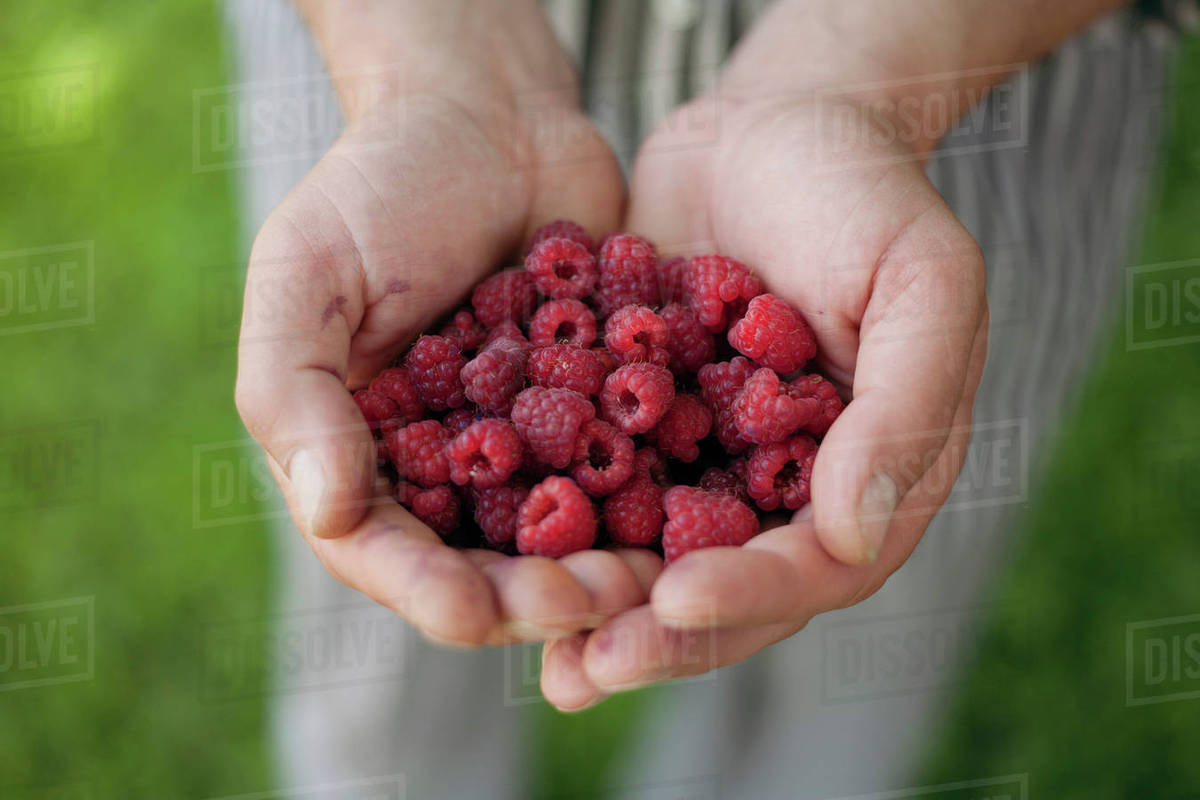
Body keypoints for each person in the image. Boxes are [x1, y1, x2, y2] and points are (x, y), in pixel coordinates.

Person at [227, 1, 1194, 796]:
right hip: (406, 76)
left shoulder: (700, 382)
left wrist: (863, 82)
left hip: (954, 84)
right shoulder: (493, 359)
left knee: (857, 621)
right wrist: (423, 59)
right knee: (380, 626)